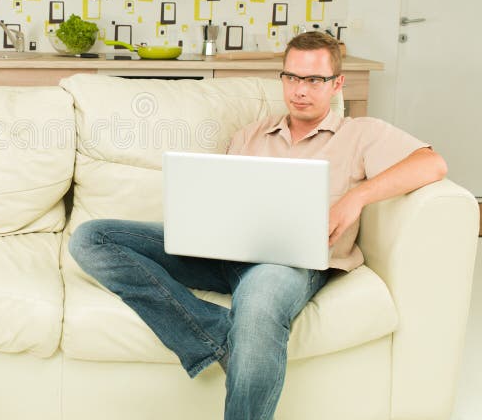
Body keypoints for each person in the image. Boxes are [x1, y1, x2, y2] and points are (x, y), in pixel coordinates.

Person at [69, 31, 447, 420]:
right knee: (91, 237)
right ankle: (212, 335)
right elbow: (225, 201)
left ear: (337, 83)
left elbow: (432, 164)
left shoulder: (362, 133)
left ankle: (236, 347)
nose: (301, 90)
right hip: (225, 251)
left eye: (314, 80)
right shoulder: (251, 134)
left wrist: (356, 198)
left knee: (257, 311)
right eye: (292, 78)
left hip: (288, 261)